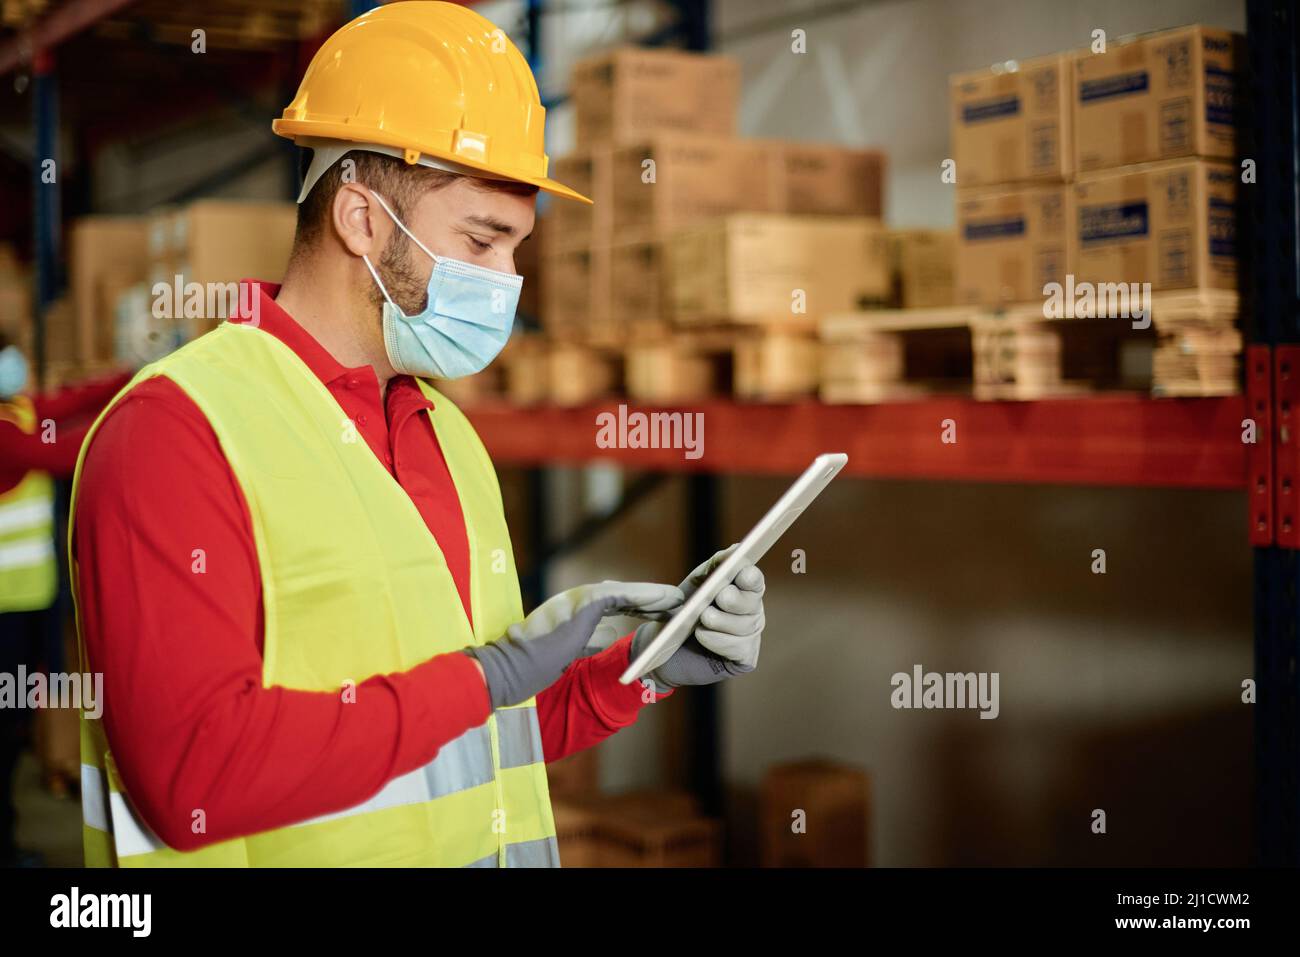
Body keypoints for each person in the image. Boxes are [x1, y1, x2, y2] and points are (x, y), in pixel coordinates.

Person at [69, 1, 766, 868]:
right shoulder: (175, 434)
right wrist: (488, 676)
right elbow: (190, 782)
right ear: (361, 220)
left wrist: (644, 668)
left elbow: (477, 742)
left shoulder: (447, 437)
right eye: (483, 240)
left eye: (516, 249)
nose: (508, 282)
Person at [0, 330, 129, 866]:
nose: (23, 367)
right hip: (6, 609)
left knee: (20, 715)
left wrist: (136, 376)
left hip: (31, 602)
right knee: (4, 729)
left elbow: (72, 401)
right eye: (14, 361)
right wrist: (140, 419)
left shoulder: (19, 412)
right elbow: (61, 452)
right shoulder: (6, 435)